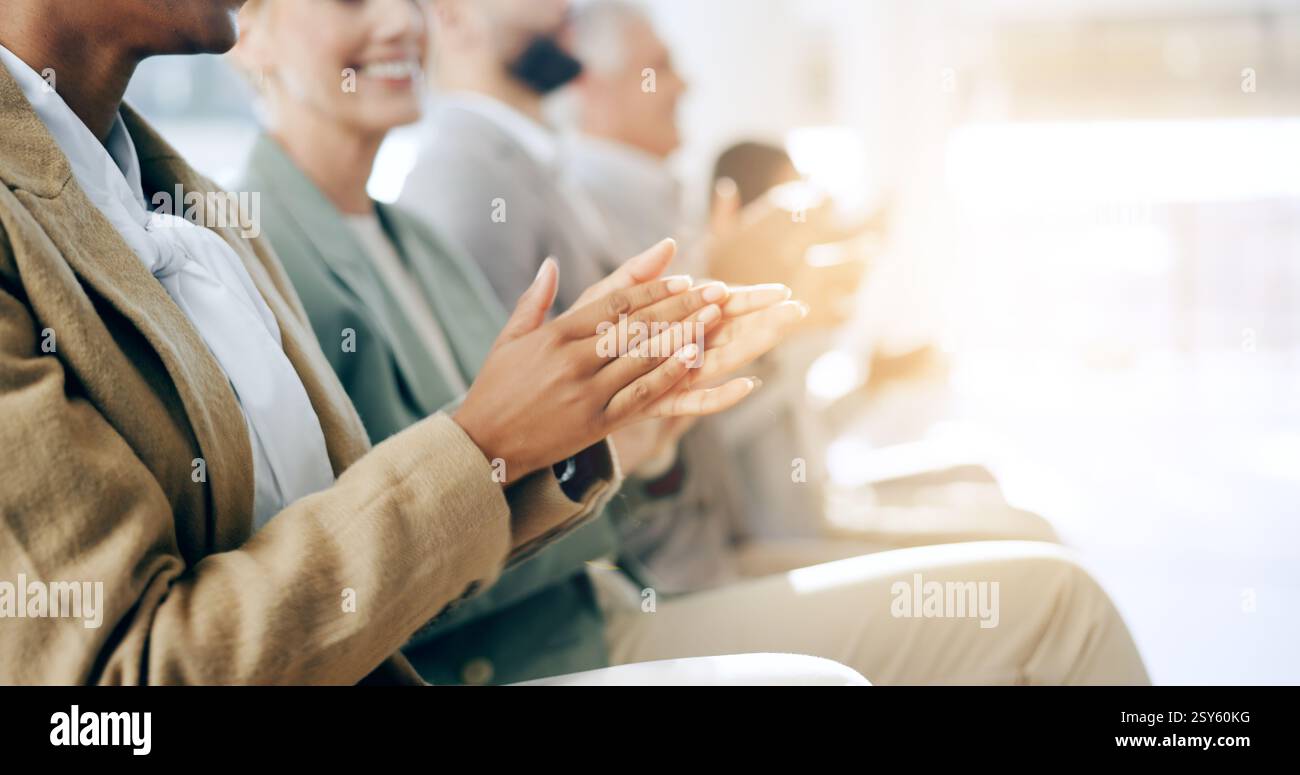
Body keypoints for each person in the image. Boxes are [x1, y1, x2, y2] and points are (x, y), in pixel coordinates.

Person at [0, 0, 857, 686]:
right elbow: (123, 680)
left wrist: (599, 418)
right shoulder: (240, 217)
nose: (405, 21)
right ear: (254, 43)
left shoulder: (180, 202)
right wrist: (493, 441)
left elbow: (349, 519)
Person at [394, 0, 1152, 685]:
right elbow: (517, 455)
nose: (564, 6)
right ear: (453, 17)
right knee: (1056, 602)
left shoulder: (532, 170)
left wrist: (755, 318)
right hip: (637, 583)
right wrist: (728, 314)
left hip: (656, 563)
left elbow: (589, 427)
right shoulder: (472, 176)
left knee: (1035, 568)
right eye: (659, 70)